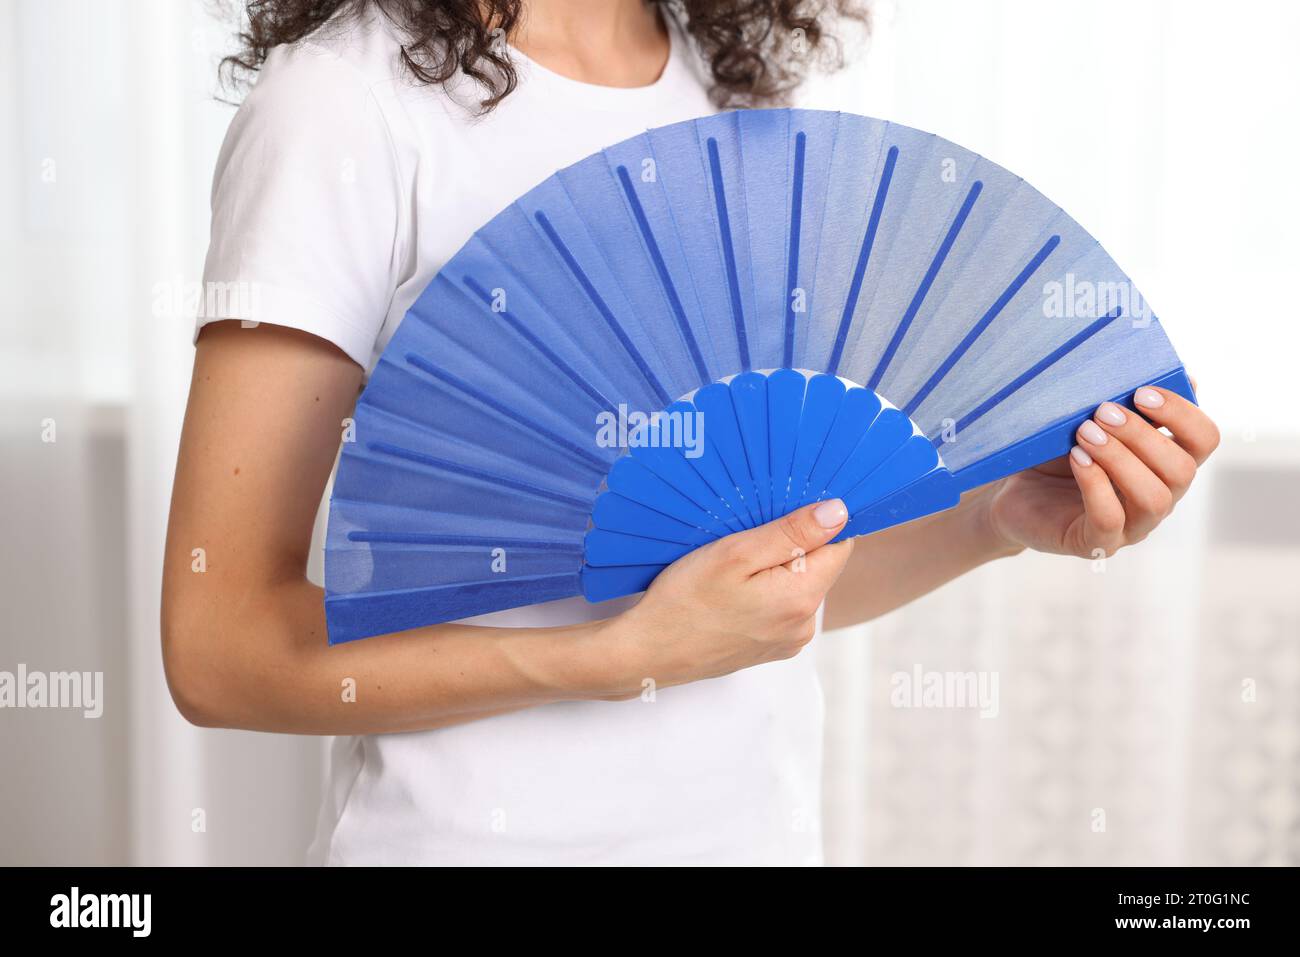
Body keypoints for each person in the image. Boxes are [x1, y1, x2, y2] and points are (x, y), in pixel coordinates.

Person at [161, 0, 1220, 865]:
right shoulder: (344, 105)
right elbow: (219, 650)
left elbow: (754, 589)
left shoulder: (728, 89)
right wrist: (607, 659)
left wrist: (992, 519)